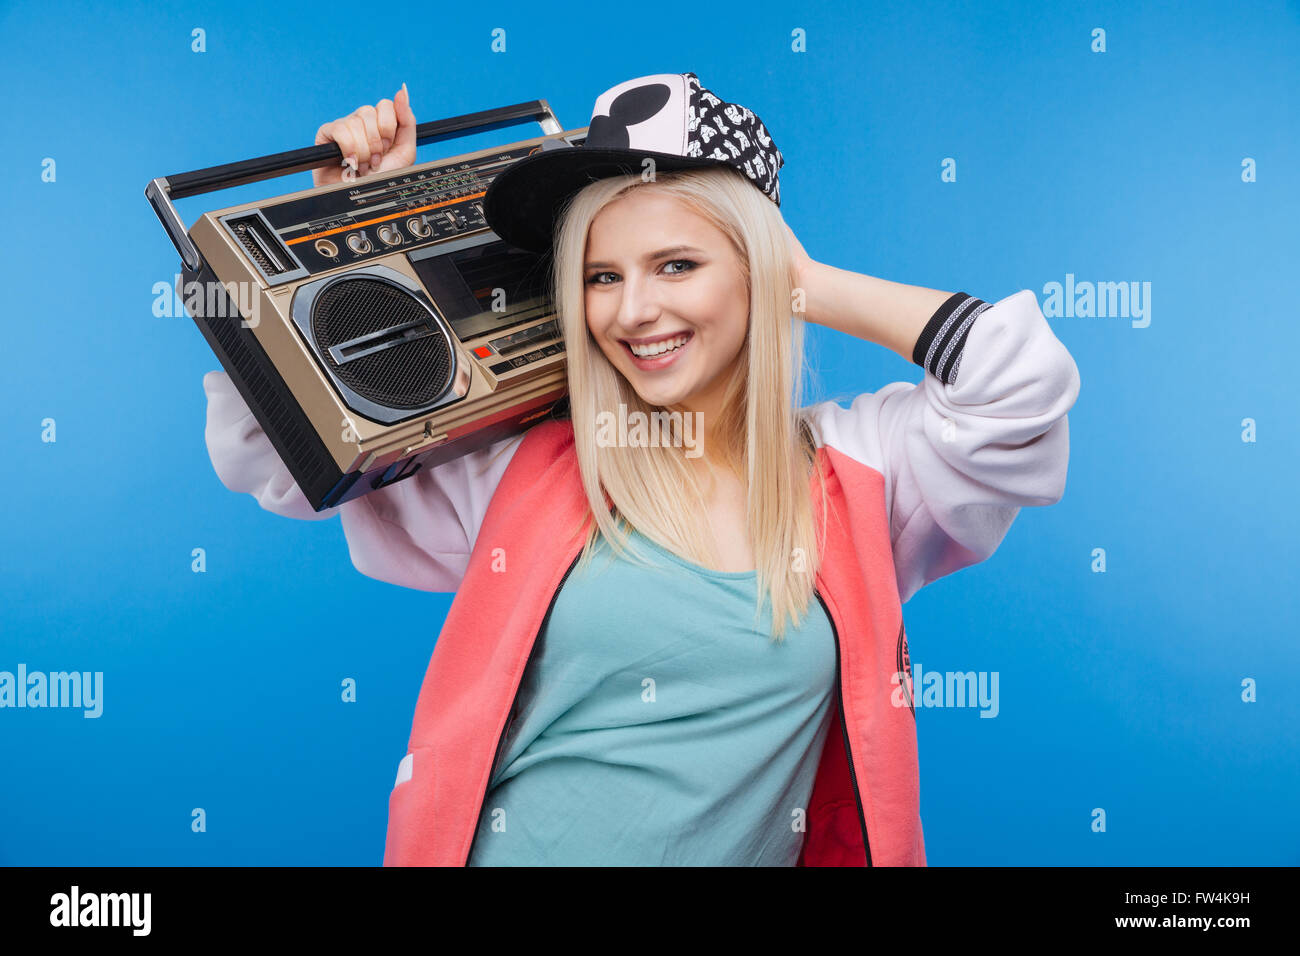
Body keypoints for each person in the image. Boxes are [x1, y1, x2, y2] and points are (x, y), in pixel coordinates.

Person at [203, 72, 1081, 866]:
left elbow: (1016, 386)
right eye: (600, 274)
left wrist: (805, 280)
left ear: (759, 266)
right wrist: (347, 231)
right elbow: (278, 457)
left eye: (677, 264)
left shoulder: (861, 473)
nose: (634, 310)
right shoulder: (523, 467)